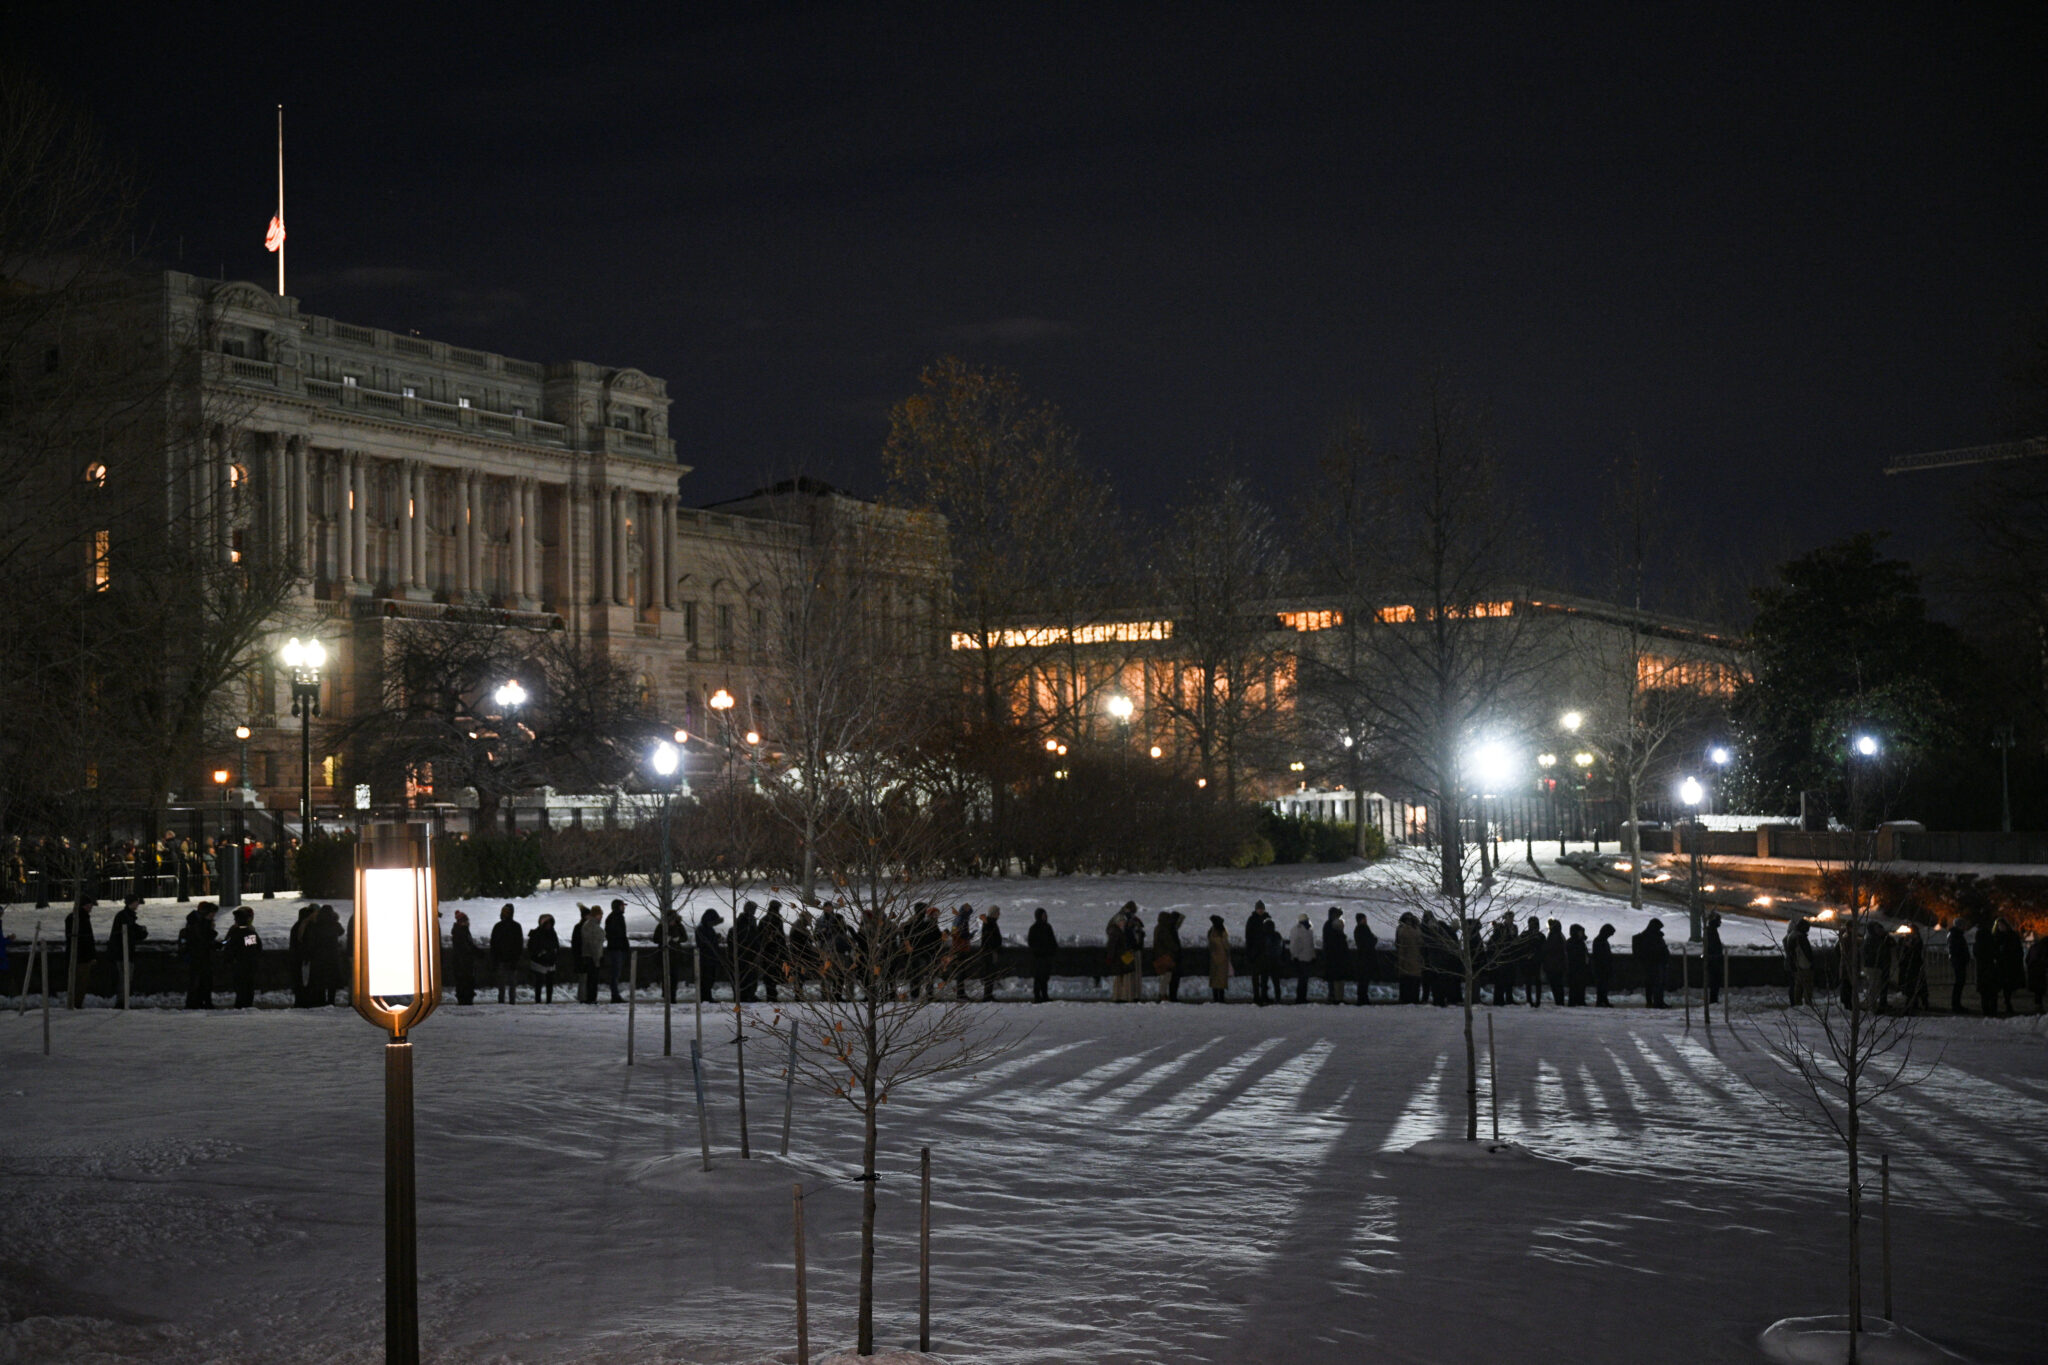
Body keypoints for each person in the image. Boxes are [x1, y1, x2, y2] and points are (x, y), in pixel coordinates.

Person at [109, 896, 149, 1003]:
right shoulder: (125, 917)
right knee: (125, 977)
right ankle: (122, 1000)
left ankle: (122, 999)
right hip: (123, 952)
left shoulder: (125, 916)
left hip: (122, 951)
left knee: (125, 977)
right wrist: (141, 931)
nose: (138, 905)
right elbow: (130, 933)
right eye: (136, 902)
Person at [179, 902, 219, 1009]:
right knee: (202, 981)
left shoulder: (195, 923)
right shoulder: (201, 924)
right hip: (199, 957)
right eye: (212, 914)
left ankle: (197, 1002)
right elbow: (203, 940)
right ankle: (199, 1003)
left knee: (199, 981)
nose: (213, 917)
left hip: (197, 956)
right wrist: (212, 932)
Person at [223, 906, 262, 1008]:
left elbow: (226, 944)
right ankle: (245, 1008)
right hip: (247, 966)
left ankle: (240, 1007)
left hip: (237, 965)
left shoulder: (234, 931)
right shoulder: (248, 932)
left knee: (240, 990)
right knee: (247, 990)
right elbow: (252, 950)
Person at [65, 897, 99, 1008]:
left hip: (78, 955)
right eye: (89, 905)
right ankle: (76, 1003)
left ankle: (75, 1002)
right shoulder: (81, 918)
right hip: (82, 956)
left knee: (77, 981)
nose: (91, 907)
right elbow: (87, 940)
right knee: (81, 982)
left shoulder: (75, 918)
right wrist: (91, 955)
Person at [308, 904, 344, 1005]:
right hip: (333, 956)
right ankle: (331, 1001)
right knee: (332, 982)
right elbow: (341, 932)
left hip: (319, 956)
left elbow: (312, 939)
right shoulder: (335, 924)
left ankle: (322, 1000)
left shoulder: (316, 924)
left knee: (321, 981)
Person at [490, 903, 524, 1003]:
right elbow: (519, 945)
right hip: (509, 959)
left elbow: (494, 944)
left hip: (503, 959)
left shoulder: (498, 926)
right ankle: (511, 1003)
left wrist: (495, 958)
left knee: (503, 984)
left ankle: (503, 1003)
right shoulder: (516, 926)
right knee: (511, 984)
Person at [527, 912, 562, 1003]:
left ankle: (548, 1001)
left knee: (549, 984)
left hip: (550, 962)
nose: (548, 925)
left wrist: (554, 954)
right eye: (547, 923)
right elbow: (532, 948)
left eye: (550, 923)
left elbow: (556, 946)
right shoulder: (536, 934)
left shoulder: (553, 933)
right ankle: (538, 1001)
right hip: (539, 962)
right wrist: (541, 953)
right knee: (539, 983)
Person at [1244, 903, 1274, 1006]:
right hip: (1257, 952)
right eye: (1259, 909)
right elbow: (1248, 937)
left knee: (1264, 976)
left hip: (1263, 952)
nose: (1260, 910)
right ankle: (1257, 996)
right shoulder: (1254, 920)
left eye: (1261, 909)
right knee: (1257, 976)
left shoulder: (1255, 919)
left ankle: (1263, 995)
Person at [287, 904, 317, 1006]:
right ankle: (304, 1002)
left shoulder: (296, 926)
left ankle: (299, 1002)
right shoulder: (307, 926)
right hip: (304, 959)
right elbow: (308, 943)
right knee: (304, 982)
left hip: (296, 958)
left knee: (298, 982)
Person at [1026, 907, 1058, 1003]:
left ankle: (1044, 995)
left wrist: (1052, 950)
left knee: (1044, 977)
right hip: (1038, 957)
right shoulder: (1034, 928)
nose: (1045, 917)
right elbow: (1031, 942)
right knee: (1038, 977)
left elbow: (1052, 941)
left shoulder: (1047, 927)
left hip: (1046, 957)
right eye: (1043, 915)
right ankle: (1037, 996)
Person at [760, 902, 789, 1002]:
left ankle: (771, 994)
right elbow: (780, 937)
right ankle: (772, 995)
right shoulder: (775, 920)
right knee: (772, 974)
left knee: (769, 975)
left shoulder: (765, 920)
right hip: (773, 951)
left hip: (768, 951)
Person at [604, 899, 631, 1004]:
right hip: (616, 949)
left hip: (616, 948)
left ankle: (615, 995)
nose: (623, 908)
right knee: (615, 973)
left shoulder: (614, 917)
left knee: (615, 973)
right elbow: (618, 934)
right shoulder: (616, 918)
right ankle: (615, 996)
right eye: (622, 906)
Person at [1897, 923, 1929, 1013]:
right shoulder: (1904, 939)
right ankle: (1912, 1003)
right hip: (1907, 965)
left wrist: (1910, 945)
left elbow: (1917, 949)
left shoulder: (1917, 940)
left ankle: (1923, 1002)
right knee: (1910, 985)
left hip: (1915, 964)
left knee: (1919, 984)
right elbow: (1900, 950)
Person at [1995, 918, 2024, 1016]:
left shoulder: (2012, 936)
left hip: (2010, 964)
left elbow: (2017, 949)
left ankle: (2007, 1002)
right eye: (1999, 926)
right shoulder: (1997, 936)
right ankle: (2006, 1003)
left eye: (2002, 925)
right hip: (2001, 964)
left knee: (2008, 985)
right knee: (2003, 984)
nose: (2001, 927)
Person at [1974, 915, 2001, 1018]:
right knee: (1992, 991)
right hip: (1990, 968)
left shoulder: (1978, 945)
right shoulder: (1991, 942)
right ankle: (1993, 1010)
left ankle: (1986, 1010)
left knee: (1984, 992)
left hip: (1982, 969)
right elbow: (1995, 953)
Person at [450, 909, 479, 1005]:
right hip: (463, 963)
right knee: (465, 982)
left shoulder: (461, 931)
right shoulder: (461, 932)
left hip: (462, 963)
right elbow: (466, 947)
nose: (468, 922)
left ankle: (464, 998)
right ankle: (466, 999)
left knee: (463, 983)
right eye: (466, 920)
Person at [695, 909, 724, 1002]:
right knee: (706, 979)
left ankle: (706, 997)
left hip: (709, 957)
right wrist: (716, 939)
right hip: (706, 958)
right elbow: (705, 942)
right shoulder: (702, 929)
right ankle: (705, 998)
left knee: (709, 978)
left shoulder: (705, 928)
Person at [1321, 907, 1349, 1005]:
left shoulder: (1327, 925)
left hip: (1330, 956)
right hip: (1335, 957)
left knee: (1332, 978)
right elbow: (1338, 943)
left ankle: (1332, 996)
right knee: (1336, 978)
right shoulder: (1332, 927)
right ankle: (1336, 997)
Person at [1154, 908, 1183, 1003]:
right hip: (1166, 956)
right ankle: (1162, 995)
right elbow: (1170, 943)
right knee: (1166, 977)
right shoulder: (1164, 929)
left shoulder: (1159, 928)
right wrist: (1176, 948)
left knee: (1165, 977)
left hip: (1161, 955)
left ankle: (1163, 994)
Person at [1395, 911, 1423, 1004]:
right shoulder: (1417, 930)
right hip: (1416, 960)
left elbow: (1398, 945)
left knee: (1405, 982)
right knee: (1415, 982)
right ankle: (1414, 999)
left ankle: (1404, 999)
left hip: (1405, 960)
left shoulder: (1401, 930)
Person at [1785, 918, 1814, 1007]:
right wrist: (1811, 962)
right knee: (1806, 985)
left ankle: (1797, 1003)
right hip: (1803, 964)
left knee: (1798, 985)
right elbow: (1807, 952)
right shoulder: (1800, 937)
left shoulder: (1792, 935)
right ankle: (1807, 1003)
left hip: (1796, 964)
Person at [1289, 913, 1316, 1004]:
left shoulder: (1300, 930)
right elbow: (1295, 945)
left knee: (1304, 980)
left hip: (1304, 958)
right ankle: (1300, 998)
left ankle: (1301, 997)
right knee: (1302, 979)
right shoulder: (1302, 930)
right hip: (1302, 958)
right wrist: (1295, 956)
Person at [1946, 916, 1971, 1013]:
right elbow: (1956, 949)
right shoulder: (1956, 935)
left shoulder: (1956, 935)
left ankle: (1957, 1004)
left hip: (1959, 962)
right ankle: (1956, 1005)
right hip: (1958, 962)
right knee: (1959, 983)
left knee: (1959, 983)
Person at [978, 906, 1004, 1001]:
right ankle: (987, 995)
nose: (999, 914)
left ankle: (988, 994)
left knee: (990, 974)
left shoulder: (990, 922)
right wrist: (994, 948)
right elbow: (990, 938)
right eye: (997, 912)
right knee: (989, 973)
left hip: (988, 952)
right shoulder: (990, 923)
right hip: (989, 952)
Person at [1520, 916, 1545, 1008]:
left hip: (1534, 962)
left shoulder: (1538, 936)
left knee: (1532, 982)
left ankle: (1533, 1000)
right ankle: (1532, 1000)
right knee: (1531, 982)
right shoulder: (1539, 936)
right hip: (1531, 962)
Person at [1352, 912, 1377, 1006]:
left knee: (1362, 979)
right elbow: (1371, 940)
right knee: (1364, 979)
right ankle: (1363, 998)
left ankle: (1362, 998)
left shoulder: (1358, 929)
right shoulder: (1363, 929)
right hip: (1366, 957)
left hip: (1362, 957)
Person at [1207, 915, 1232, 1003]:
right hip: (1222, 957)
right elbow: (1226, 945)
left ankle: (1215, 997)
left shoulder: (1211, 932)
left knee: (1214, 979)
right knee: (1221, 979)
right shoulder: (1222, 932)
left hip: (1213, 957)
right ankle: (1221, 998)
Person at [1703, 911, 1726, 1006]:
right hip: (1714, 960)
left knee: (1714, 981)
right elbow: (1712, 946)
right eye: (1719, 921)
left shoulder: (1710, 930)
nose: (1720, 923)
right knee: (1715, 981)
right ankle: (1713, 999)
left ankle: (1713, 999)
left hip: (1713, 959)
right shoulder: (1712, 931)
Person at [1543, 919, 1567, 1006]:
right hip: (1558, 966)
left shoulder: (1553, 936)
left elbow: (1549, 950)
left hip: (1553, 966)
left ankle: (1559, 1002)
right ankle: (1560, 1001)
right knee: (1558, 985)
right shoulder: (1560, 936)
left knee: (1556, 985)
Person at [1592, 923, 1616, 1007]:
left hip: (1602, 967)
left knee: (1603, 985)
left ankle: (1603, 1000)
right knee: (1602, 985)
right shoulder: (1600, 941)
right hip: (1601, 967)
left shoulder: (1599, 940)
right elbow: (1601, 956)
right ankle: (1601, 1001)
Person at [1565, 924, 1589, 1006]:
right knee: (1575, 986)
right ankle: (1576, 1001)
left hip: (1579, 968)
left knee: (1579, 986)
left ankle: (1579, 1000)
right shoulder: (1574, 943)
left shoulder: (1576, 942)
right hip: (1575, 968)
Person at [2025, 929, 2048, 1015]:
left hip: (2033, 969)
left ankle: (2038, 1005)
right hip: (2039, 970)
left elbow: (2027, 959)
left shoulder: (2035, 947)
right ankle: (2039, 1006)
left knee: (2038, 991)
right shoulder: (2044, 949)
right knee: (2040, 989)